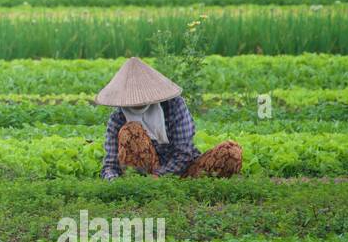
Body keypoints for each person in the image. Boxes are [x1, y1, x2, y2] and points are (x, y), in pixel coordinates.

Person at [97, 57, 242, 180]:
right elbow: (110, 165)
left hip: (185, 170)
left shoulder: (173, 105)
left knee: (231, 152)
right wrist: (114, 181)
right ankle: (150, 188)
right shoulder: (118, 118)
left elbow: (184, 153)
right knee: (130, 130)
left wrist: (161, 177)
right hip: (144, 179)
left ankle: (183, 186)